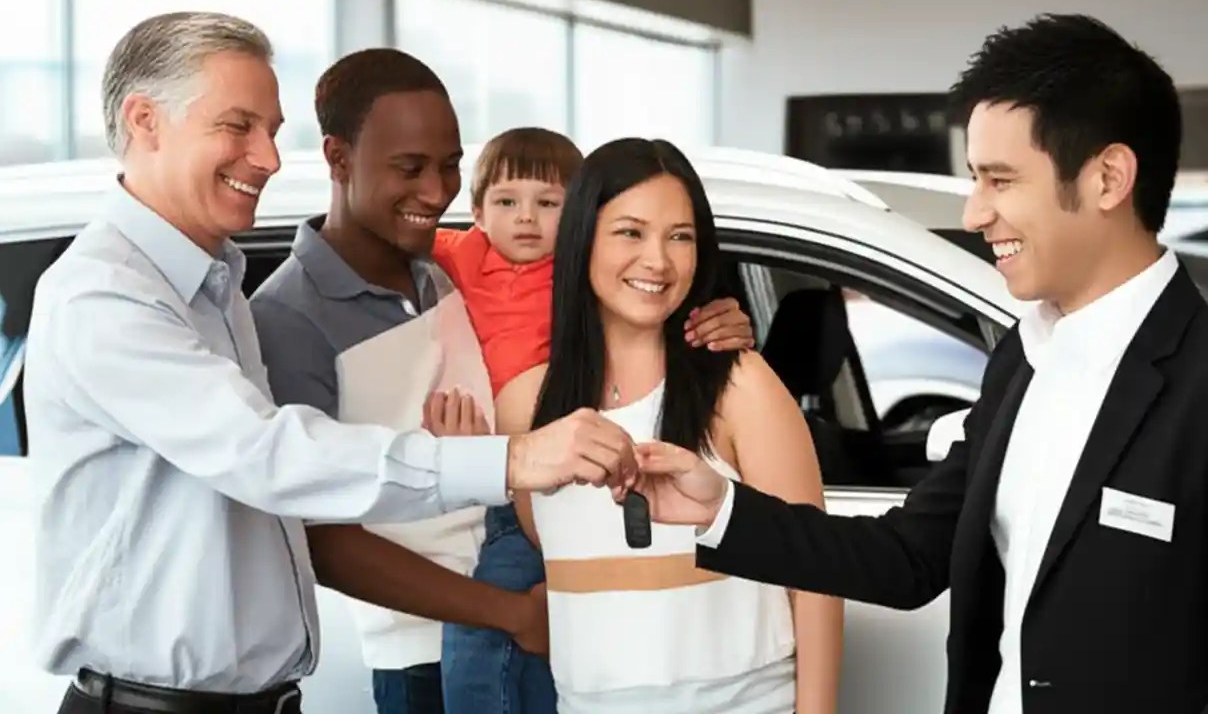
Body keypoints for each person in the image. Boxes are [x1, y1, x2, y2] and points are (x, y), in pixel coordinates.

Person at [633, 14, 1208, 714]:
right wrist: (721, 508)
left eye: (1000, 181)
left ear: (1108, 178)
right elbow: (909, 556)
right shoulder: (1021, 364)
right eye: (974, 179)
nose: (975, 213)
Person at [25, 14, 636, 714]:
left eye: (272, 131)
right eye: (238, 126)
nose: (270, 159)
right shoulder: (105, 295)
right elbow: (268, 457)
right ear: (145, 121)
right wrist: (511, 461)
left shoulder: (218, 285)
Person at [250, 55, 754, 714]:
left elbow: (625, 305)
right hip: (432, 647)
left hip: (549, 600)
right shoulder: (289, 318)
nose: (436, 192)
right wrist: (508, 609)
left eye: (450, 166)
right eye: (410, 168)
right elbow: (317, 538)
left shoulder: (444, 269)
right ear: (337, 159)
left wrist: (712, 321)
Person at [497, 137, 843, 713]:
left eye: (680, 236)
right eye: (630, 232)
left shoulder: (738, 385)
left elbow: (817, 576)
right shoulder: (524, 406)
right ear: (583, 238)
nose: (658, 260)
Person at [433, 126, 756, 714]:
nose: (526, 219)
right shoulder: (463, 257)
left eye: (549, 204)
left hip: (565, 482)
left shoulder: (601, 278)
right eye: (506, 202)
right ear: (478, 211)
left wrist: (725, 322)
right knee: (484, 628)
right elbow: (388, 238)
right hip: (502, 472)